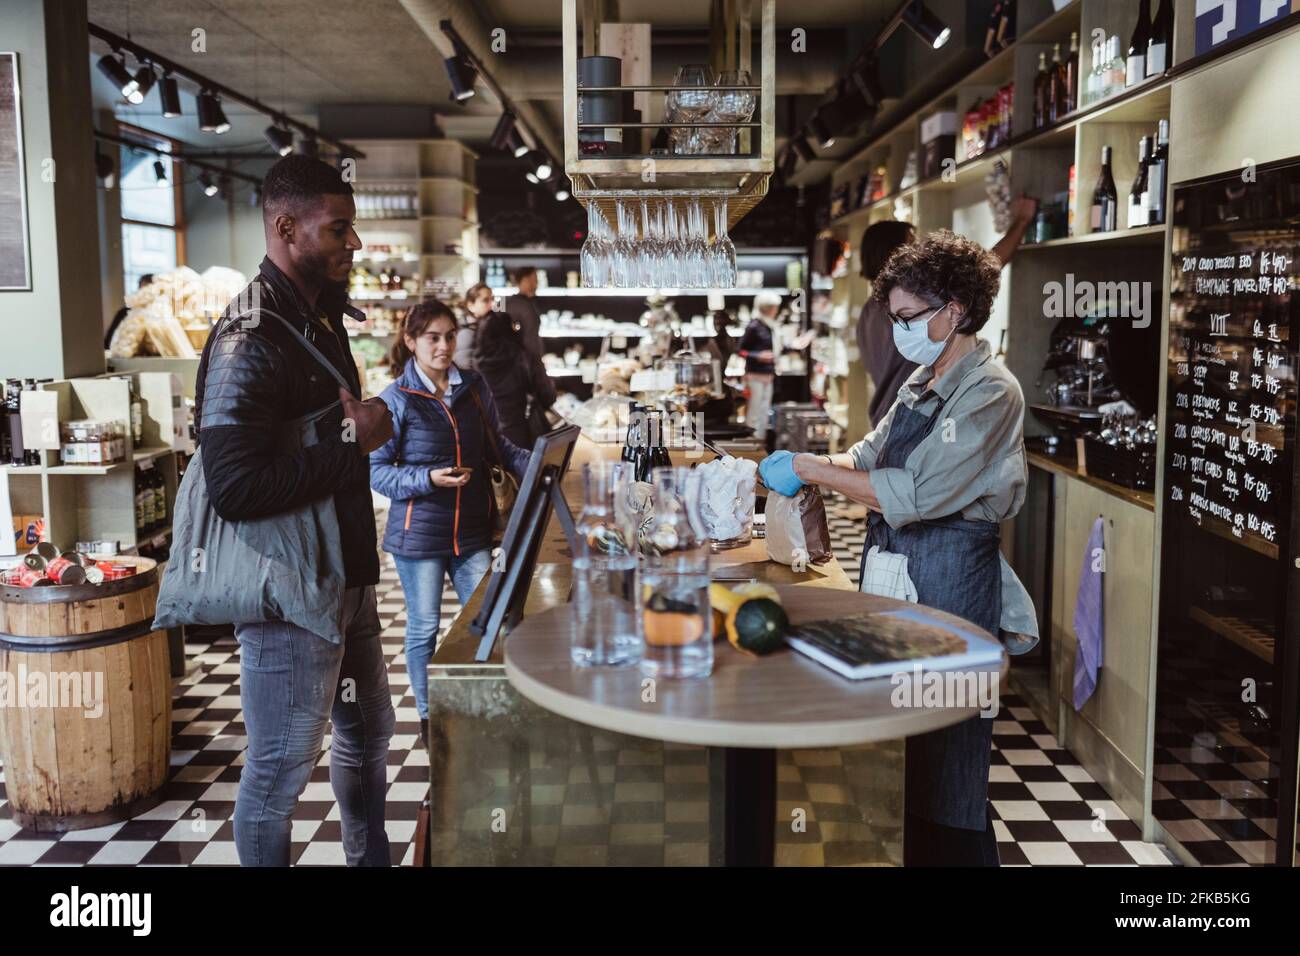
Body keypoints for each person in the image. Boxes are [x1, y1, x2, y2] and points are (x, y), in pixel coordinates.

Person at [759, 229, 1038, 867]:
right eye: (895, 319)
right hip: (896, 572)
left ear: (956, 311)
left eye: (910, 318)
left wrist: (806, 465)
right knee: (897, 746)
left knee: (948, 755)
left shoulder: (992, 391)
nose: (900, 331)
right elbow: (865, 457)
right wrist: (810, 463)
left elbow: (914, 492)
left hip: (951, 581)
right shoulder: (918, 382)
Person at [195, 155, 396, 867]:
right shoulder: (248, 337)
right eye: (338, 229)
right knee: (279, 770)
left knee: (369, 732)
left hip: (344, 571)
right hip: (288, 590)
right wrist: (356, 442)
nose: (355, 244)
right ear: (286, 228)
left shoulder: (315, 315)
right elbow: (236, 487)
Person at [371, 302, 531, 749]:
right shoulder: (395, 399)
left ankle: (490, 705)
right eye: (432, 338)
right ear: (410, 342)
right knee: (424, 627)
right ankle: (429, 715)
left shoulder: (473, 386)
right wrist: (428, 478)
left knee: (488, 619)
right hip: (417, 534)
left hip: (473, 530)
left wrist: (541, 461)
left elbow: (498, 446)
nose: (443, 346)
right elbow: (376, 471)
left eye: (449, 336)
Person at [856, 197, 1037, 426]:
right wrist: (1021, 222)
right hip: (907, 423)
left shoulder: (867, 313)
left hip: (887, 420)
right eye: (911, 247)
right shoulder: (904, 311)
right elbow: (986, 268)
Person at [473, 310, 558, 449]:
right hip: (519, 431)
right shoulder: (525, 357)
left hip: (487, 435)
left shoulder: (477, 363)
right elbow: (547, 395)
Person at [737, 291, 781, 440]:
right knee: (754, 410)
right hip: (755, 375)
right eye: (774, 307)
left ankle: (759, 441)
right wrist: (758, 356)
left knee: (764, 411)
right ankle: (751, 440)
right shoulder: (754, 326)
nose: (776, 311)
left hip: (768, 375)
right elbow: (740, 350)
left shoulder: (771, 326)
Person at [104, 273, 153, 349]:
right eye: (142, 291)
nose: (144, 295)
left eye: (148, 292)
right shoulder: (124, 313)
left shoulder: (161, 317)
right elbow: (109, 342)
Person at [453, 282, 496, 370]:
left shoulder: (485, 327)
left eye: (492, 299)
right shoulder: (466, 332)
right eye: (485, 300)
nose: (492, 304)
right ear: (471, 306)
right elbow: (465, 364)